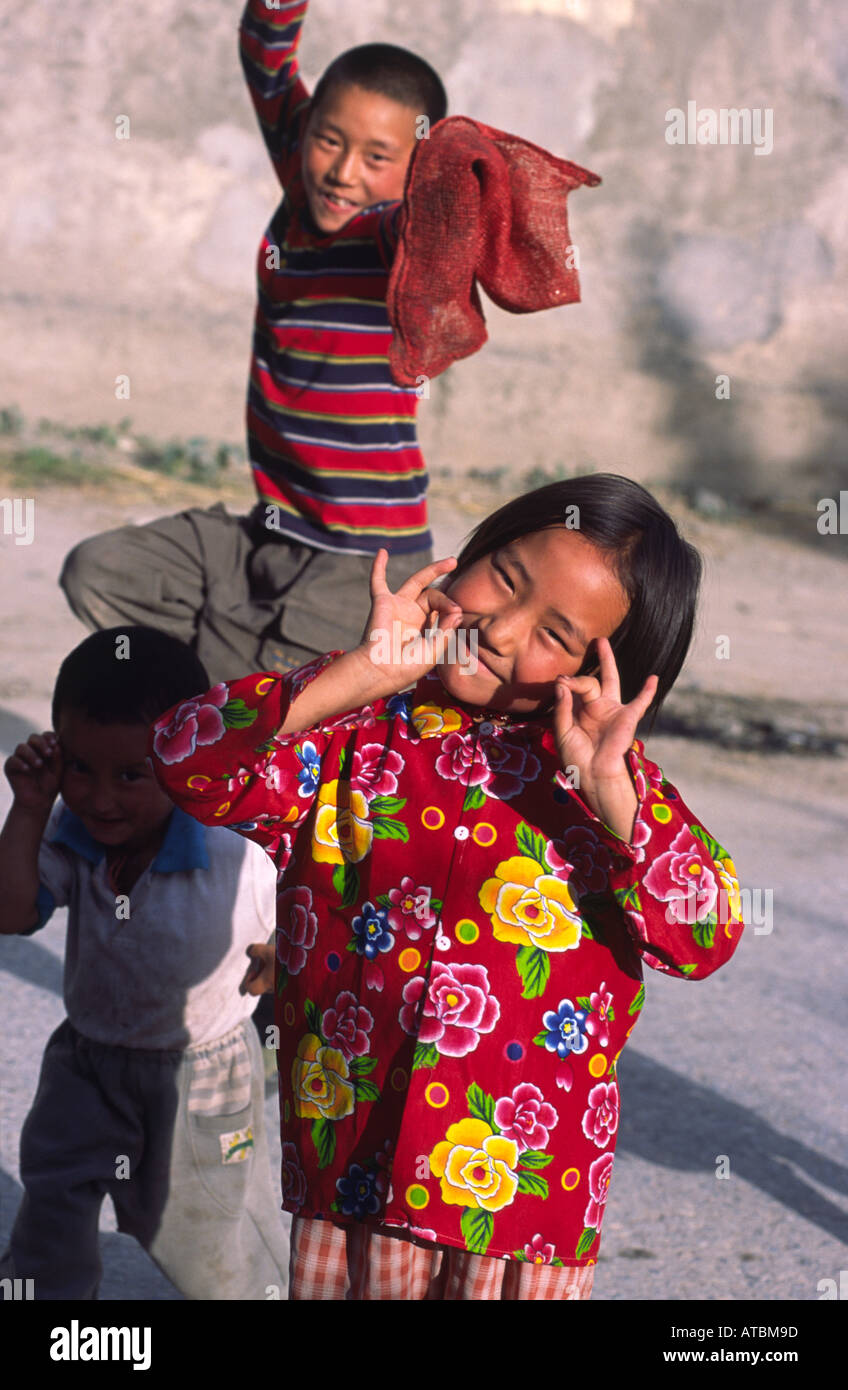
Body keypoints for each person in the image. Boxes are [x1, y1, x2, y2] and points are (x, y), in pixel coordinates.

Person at [147, 473, 745, 1301]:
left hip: (524, 1207)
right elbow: (187, 759)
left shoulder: (608, 793)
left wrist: (619, 799)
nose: (499, 629)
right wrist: (360, 674)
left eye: (556, 633)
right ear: (474, 548)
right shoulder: (351, 737)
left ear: (605, 670)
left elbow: (705, 936)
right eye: (504, 576)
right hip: (352, 1169)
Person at [58, 0, 448, 685]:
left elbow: (455, 226)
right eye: (330, 141)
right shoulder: (304, 187)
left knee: (242, 724)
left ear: (418, 170)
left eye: (378, 157)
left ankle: (233, 700)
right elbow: (266, 53)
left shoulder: (401, 242)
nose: (344, 171)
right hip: (265, 532)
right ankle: (218, 680)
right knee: (99, 571)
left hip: (359, 562)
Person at [0, 627, 289, 1300]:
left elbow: (306, 893)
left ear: (184, 760)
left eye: (131, 776)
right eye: (80, 770)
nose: (101, 799)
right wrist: (30, 807)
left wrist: (284, 957)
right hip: (86, 1060)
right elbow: (13, 915)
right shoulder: (70, 835)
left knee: (209, 1234)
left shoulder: (234, 847)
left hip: (202, 1074)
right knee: (53, 1200)